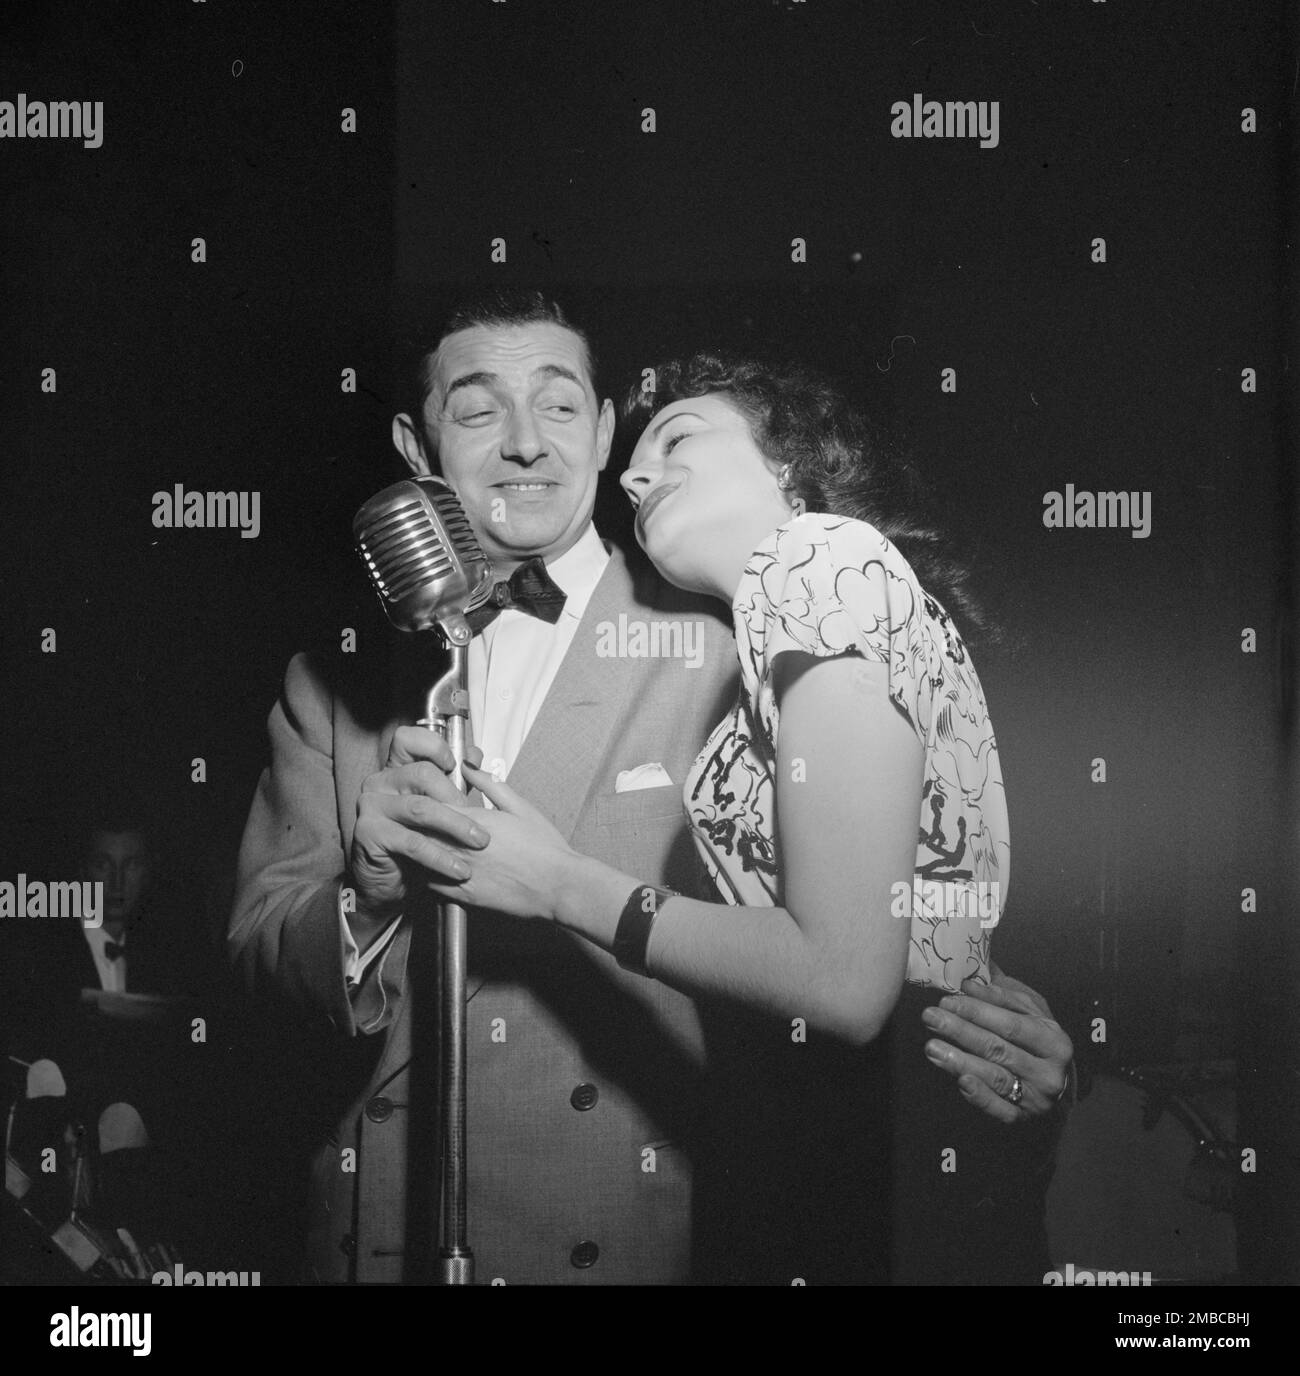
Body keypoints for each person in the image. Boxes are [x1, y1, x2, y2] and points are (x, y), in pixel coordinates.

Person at [227, 292, 1072, 1284]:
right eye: (477, 409)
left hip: (627, 1236)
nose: (525, 444)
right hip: (379, 1238)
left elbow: (870, 943)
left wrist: (1012, 1046)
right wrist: (367, 895)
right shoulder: (330, 681)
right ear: (417, 444)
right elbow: (252, 958)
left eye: (558, 405)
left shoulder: (740, 630)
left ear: (601, 433)